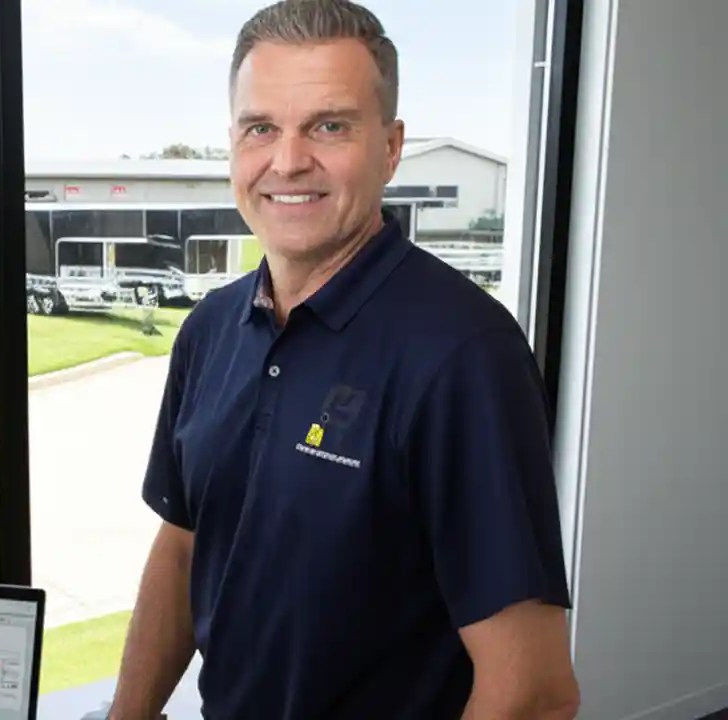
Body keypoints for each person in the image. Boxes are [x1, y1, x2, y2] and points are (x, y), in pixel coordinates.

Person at [108, 1, 581, 718]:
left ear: (390, 147)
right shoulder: (209, 329)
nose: (289, 160)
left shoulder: (463, 354)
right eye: (261, 127)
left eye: (329, 126)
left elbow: (534, 692)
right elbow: (182, 546)